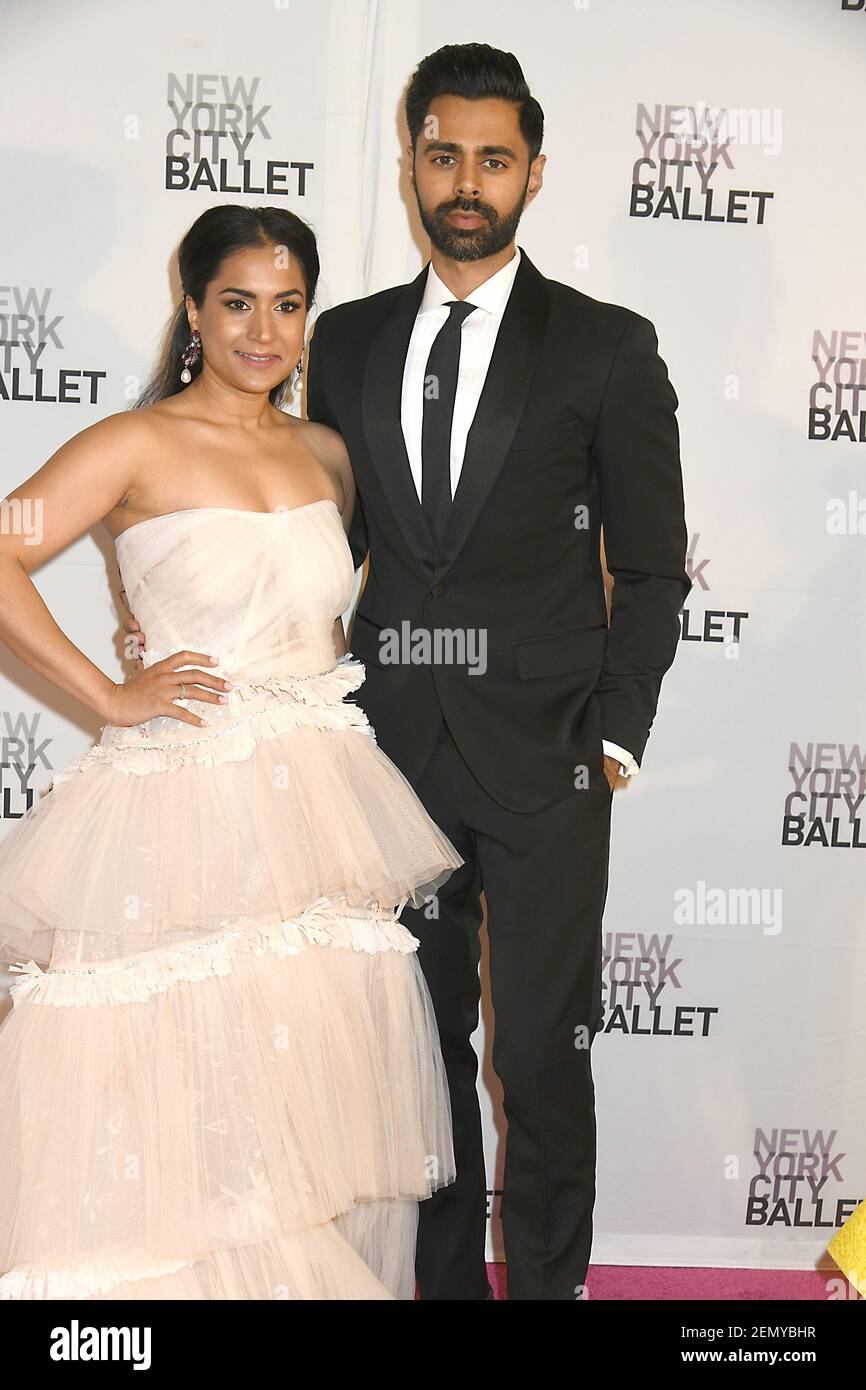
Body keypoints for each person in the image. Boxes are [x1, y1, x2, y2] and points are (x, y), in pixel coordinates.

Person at [0, 204, 462, 1300]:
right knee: (181, 1084)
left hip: (317, 811)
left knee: (294, 1086)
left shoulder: (327, 455)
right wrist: (110, 691)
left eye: (288, 304)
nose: (265, 330)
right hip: (180, 808)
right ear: (193, 311)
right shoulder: (132, 441)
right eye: (238, 302)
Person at [304, 44, 692, 1300]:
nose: (463, 182)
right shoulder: (349, 342)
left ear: (532, 172)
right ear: (410, 161)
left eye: (491, 158)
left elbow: (650, 566)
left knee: (537, 1052)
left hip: (546, 759)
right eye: (440, 154)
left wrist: (616, 733)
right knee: (415, 1055)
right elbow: (329, 549)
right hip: (389, 758)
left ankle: (545, 1288)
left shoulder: (604, 347)